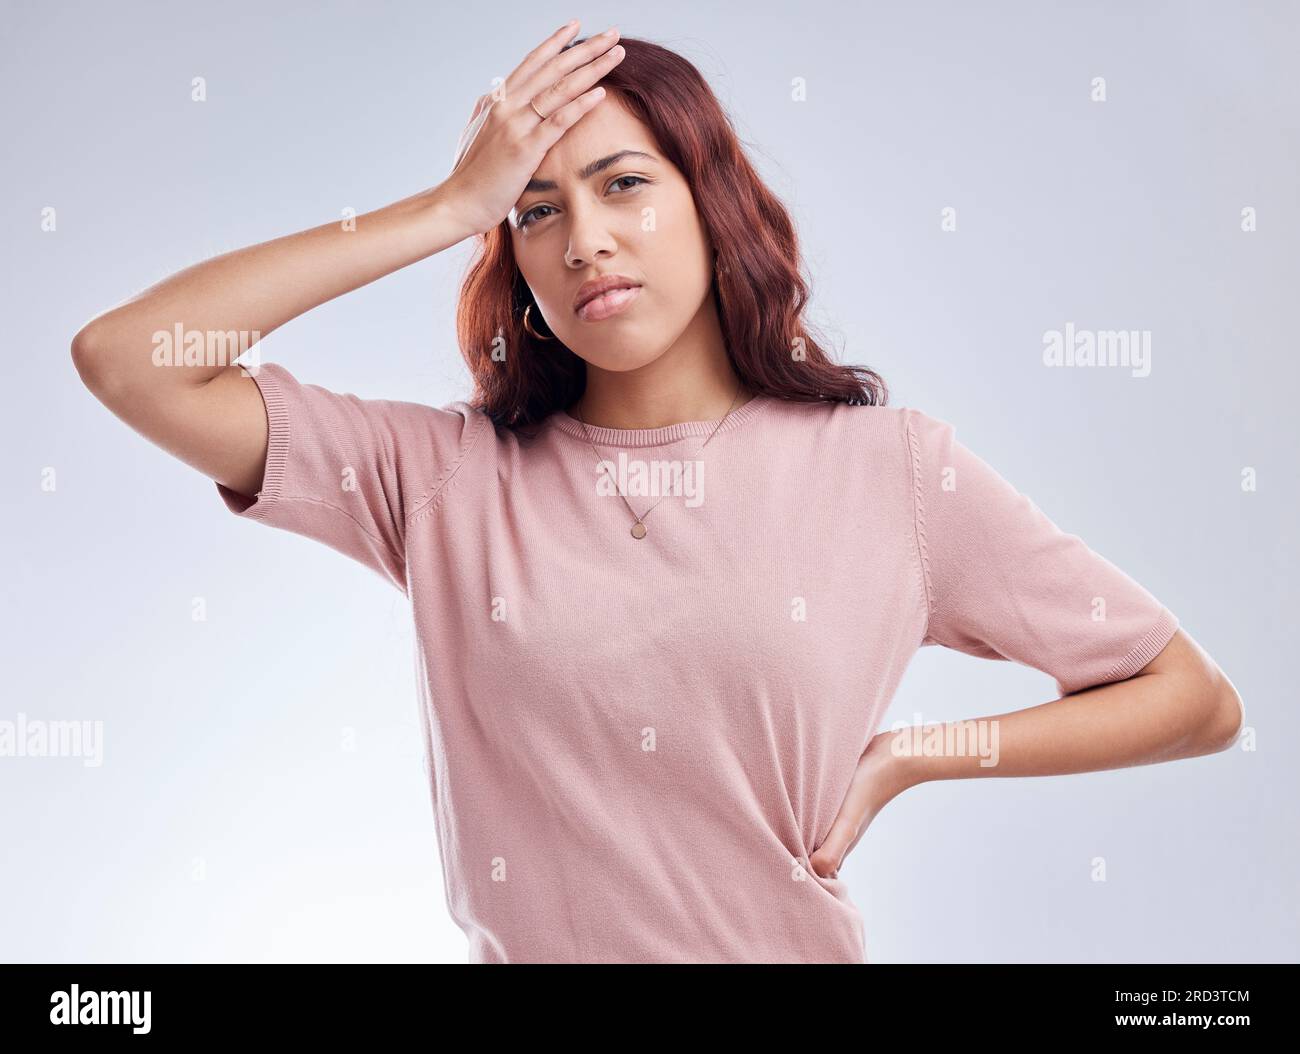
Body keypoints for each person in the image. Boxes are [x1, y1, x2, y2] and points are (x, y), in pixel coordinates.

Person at [70, 23, 1244, 964]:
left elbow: (1188, 696)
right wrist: (442, 209)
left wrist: (916, 753)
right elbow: (132, 357)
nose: (584, 240)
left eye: (623, 184)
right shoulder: (438, 480)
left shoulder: (890, 471)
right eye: (535, 212)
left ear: (709, 201)